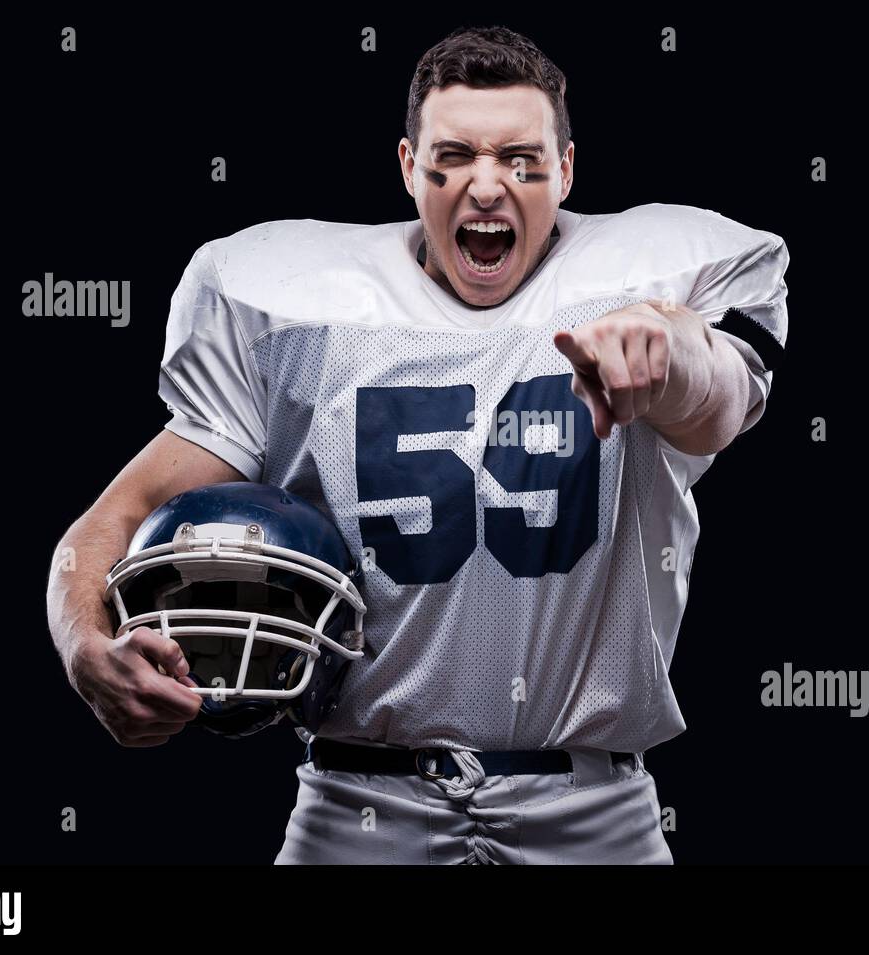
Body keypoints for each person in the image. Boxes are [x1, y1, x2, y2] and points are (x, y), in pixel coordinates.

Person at [47, 24, 788, 864]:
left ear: (568, 172)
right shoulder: (300, 313)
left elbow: (722, 403)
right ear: (409, 167)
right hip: (357, 800)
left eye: (520, 158)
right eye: (455, 156)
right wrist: (84, 643)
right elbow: (111, 523)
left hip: (593, 809)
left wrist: (671, 353)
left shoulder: (648, 290)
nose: (486, 184)